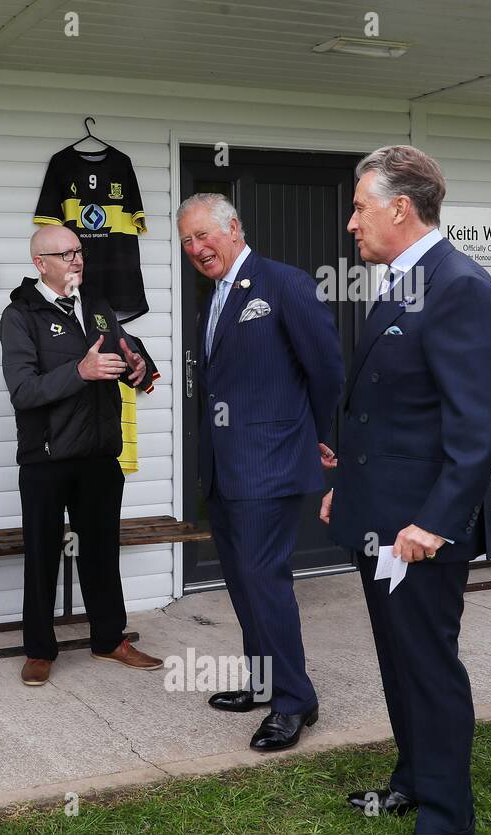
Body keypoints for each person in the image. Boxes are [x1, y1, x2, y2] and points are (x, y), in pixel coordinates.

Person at [323, 146, 491, 834]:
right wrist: (349, 485)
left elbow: (479, 422)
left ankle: (446, 818)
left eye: (359, 207)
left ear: (401, 208)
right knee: (398, 660)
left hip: (422, 530)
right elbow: (392, 407)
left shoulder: (458, 284)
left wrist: (434, 522)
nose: (351, 223)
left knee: (429, 668)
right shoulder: (405, 278)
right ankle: (412, 779)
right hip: (383, 514)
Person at [178, 193, 343, 751]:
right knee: (245, 584)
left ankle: (295, 702)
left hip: (269, 468)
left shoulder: (284, 284)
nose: (197, 248)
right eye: (186, 242)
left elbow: (326, 369)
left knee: (266, 585)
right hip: (225, 473)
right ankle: (265, 682)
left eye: (205, 235)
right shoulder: (214, 298)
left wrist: (319, 437)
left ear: (235, 229)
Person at [0, 224, 163, 686]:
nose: (77, 259)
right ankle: (38, 650)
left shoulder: (97, 307)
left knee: (101, 553)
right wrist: (81, 370)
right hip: (46, 460)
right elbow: (23, 391)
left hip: (99, 455)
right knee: (42, 555)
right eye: (66, 253)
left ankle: (110, 640)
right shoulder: (19, 316)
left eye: (79, 251)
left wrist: (137, 366)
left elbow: (127, 353)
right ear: (40, 264)